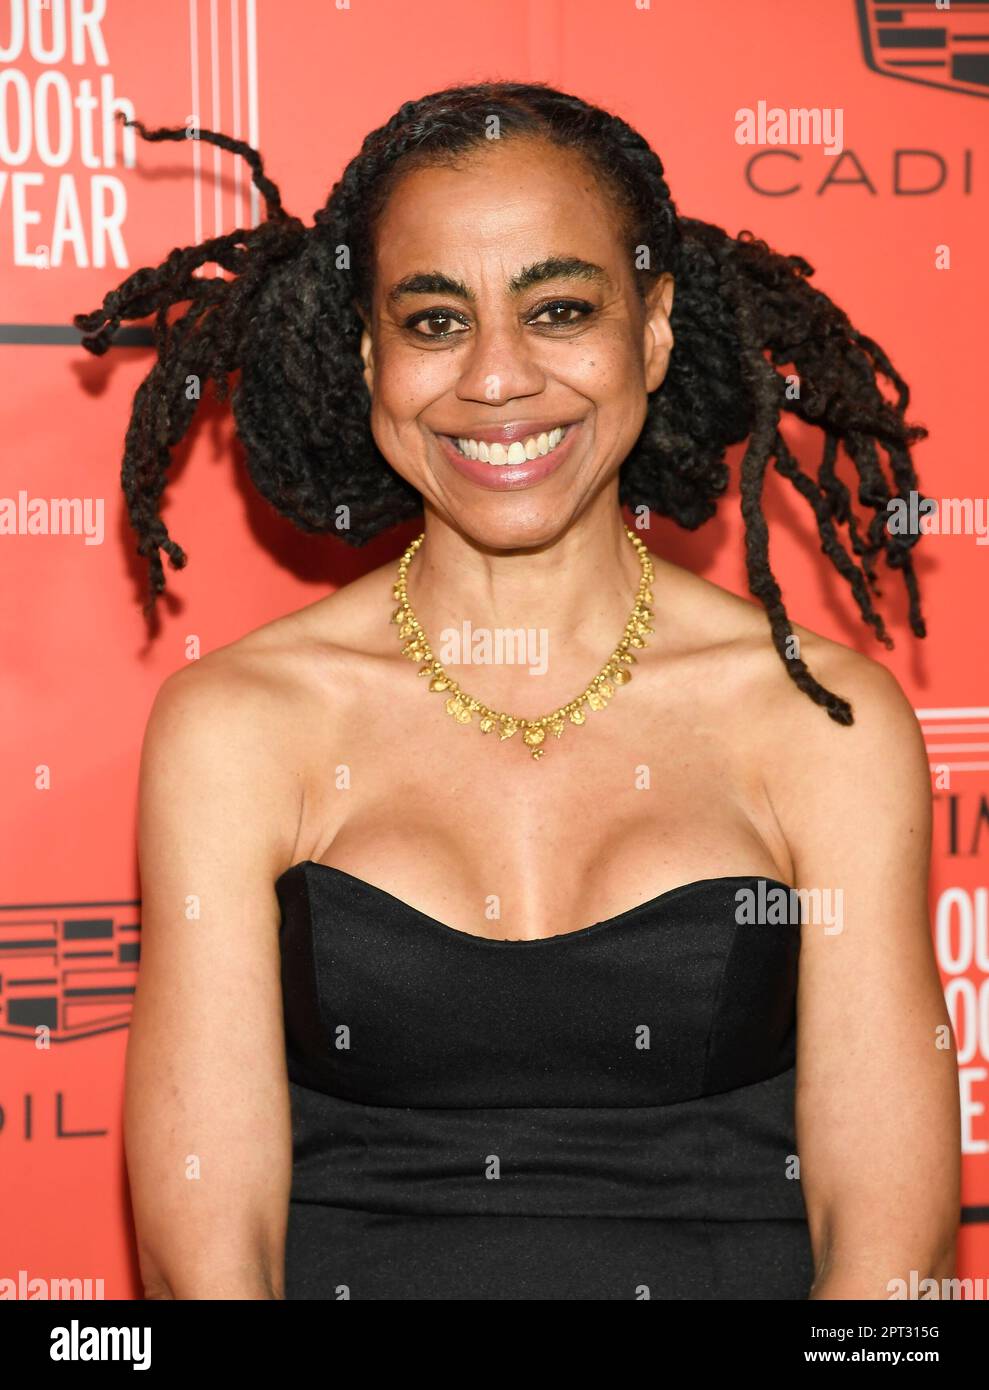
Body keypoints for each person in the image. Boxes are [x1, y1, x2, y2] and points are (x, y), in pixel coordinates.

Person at [75, 82, 960, 1300]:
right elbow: (205, 1263)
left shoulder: (817, 719)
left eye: (557, 309)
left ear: (651, 329)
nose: (495, 378)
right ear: (366, 352)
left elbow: (892, 1256)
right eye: (434, 321)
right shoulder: (239, 727)